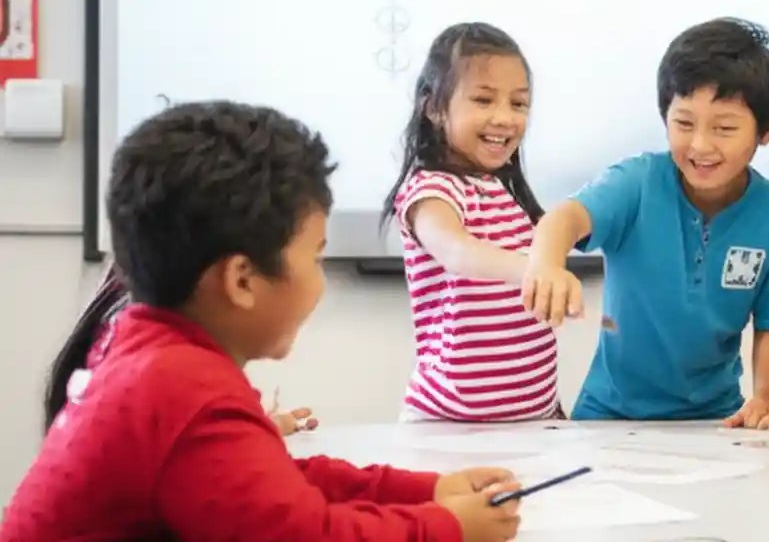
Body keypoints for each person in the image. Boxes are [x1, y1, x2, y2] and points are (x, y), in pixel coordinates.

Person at [1, 101, 522, 541]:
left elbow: (278, 485)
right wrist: (443, 527)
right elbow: (304, 534)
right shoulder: (183, 389)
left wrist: (426, 491)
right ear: (242, 281)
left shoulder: (150, 351)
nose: (319, 282)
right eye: (315, 257)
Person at [523, 17, 769, 425]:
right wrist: (545, 264)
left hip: (715, 418)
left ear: (767, 130)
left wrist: (765, 400)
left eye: (725, 128)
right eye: (684, 123)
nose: (700, 145)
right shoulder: (637, 183)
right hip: (608, 415)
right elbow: (566, 217)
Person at [382, 23, 559, 422]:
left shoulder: (504, 194)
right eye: (483, 100)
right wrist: (539, 269)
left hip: (534, 419)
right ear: (434, 108)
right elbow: (457, 251)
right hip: (447, 426)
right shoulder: (431, 190)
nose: (504, 118)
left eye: (518, 104)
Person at [49, 263, 319, 436]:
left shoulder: (129, 330)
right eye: (314, 256)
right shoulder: (163, 368)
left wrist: (261, 428)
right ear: (240, 277)